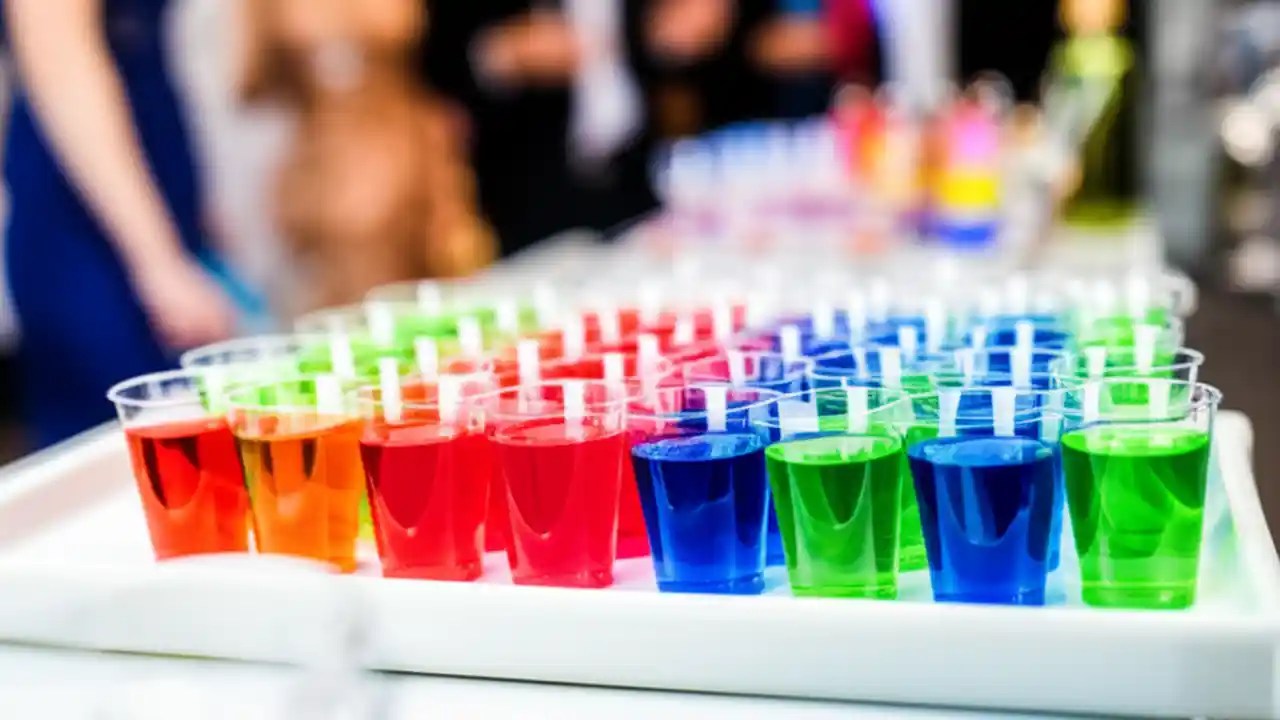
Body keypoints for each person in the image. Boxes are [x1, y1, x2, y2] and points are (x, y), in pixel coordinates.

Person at [2, 0, 235, 446]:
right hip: (86, 215)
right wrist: (158, 260)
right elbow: (60, 66)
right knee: (133, 444)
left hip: (153, 187)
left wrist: (191, 208)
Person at [423, 0, 751, 254]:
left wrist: (688, 36)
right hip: (530, 193)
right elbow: (436, 65)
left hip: (638, 180)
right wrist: (501, 54)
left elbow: (668, 50)